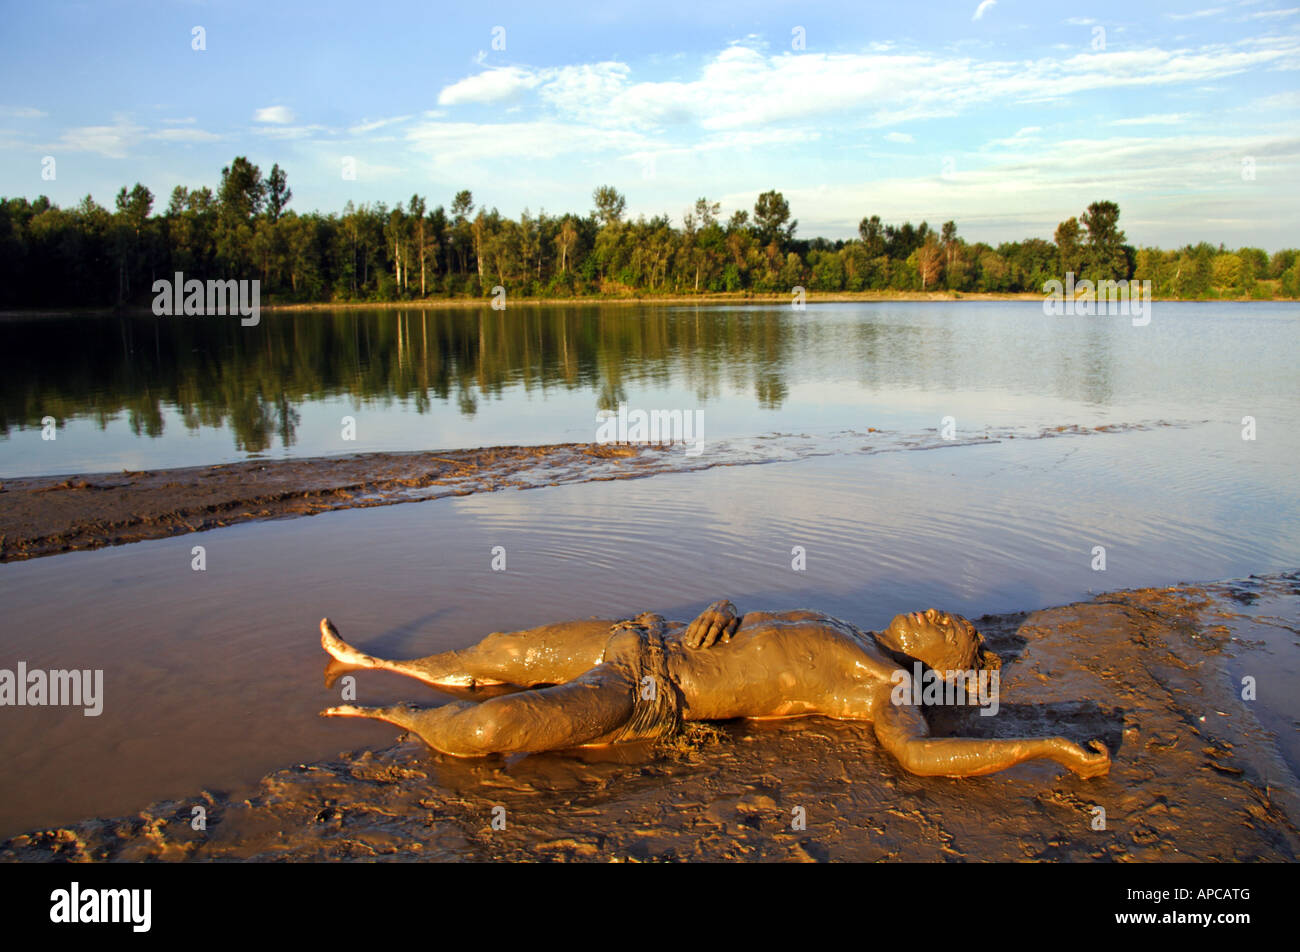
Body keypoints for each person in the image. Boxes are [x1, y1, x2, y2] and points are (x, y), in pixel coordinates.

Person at [319, 600, 1110, 779]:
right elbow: (764, 627)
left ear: (941, 662)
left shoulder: (885, 686)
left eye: (951, 625)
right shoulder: (852, 626)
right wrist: (728, 606)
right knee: (499, 650)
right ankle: (367, 659)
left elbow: (918, 761)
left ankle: (395, 711)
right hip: (638, 636)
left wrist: (1047, 745)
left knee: (490, 732)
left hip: (650, 688)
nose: (936, 613)